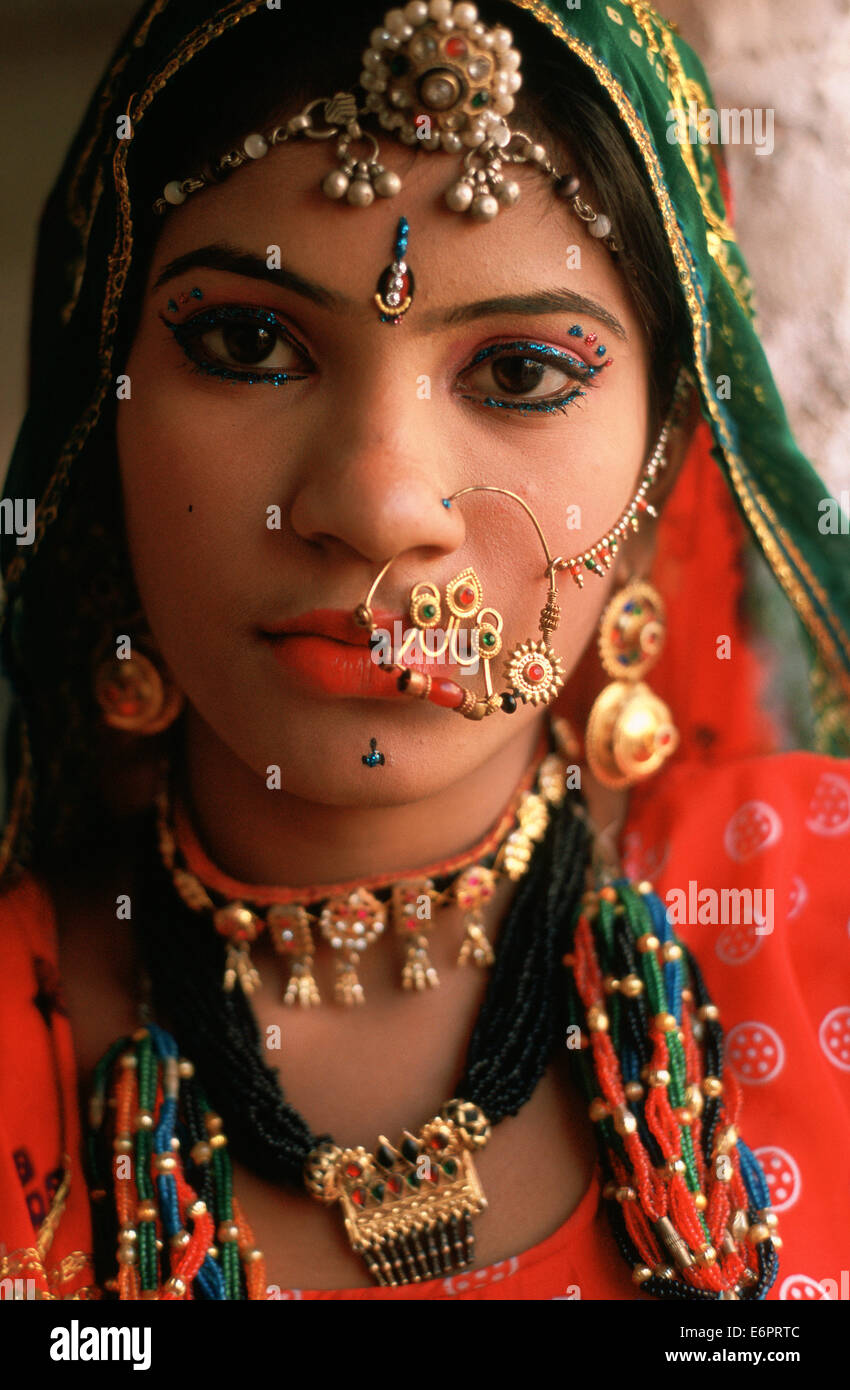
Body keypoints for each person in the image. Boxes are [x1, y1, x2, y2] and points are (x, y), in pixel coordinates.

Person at [0, 0, 847, 1303]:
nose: (378, 504)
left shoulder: (815, 919)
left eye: (516, 373)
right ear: (98, 432)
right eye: (245, 342)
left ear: (659, 466)